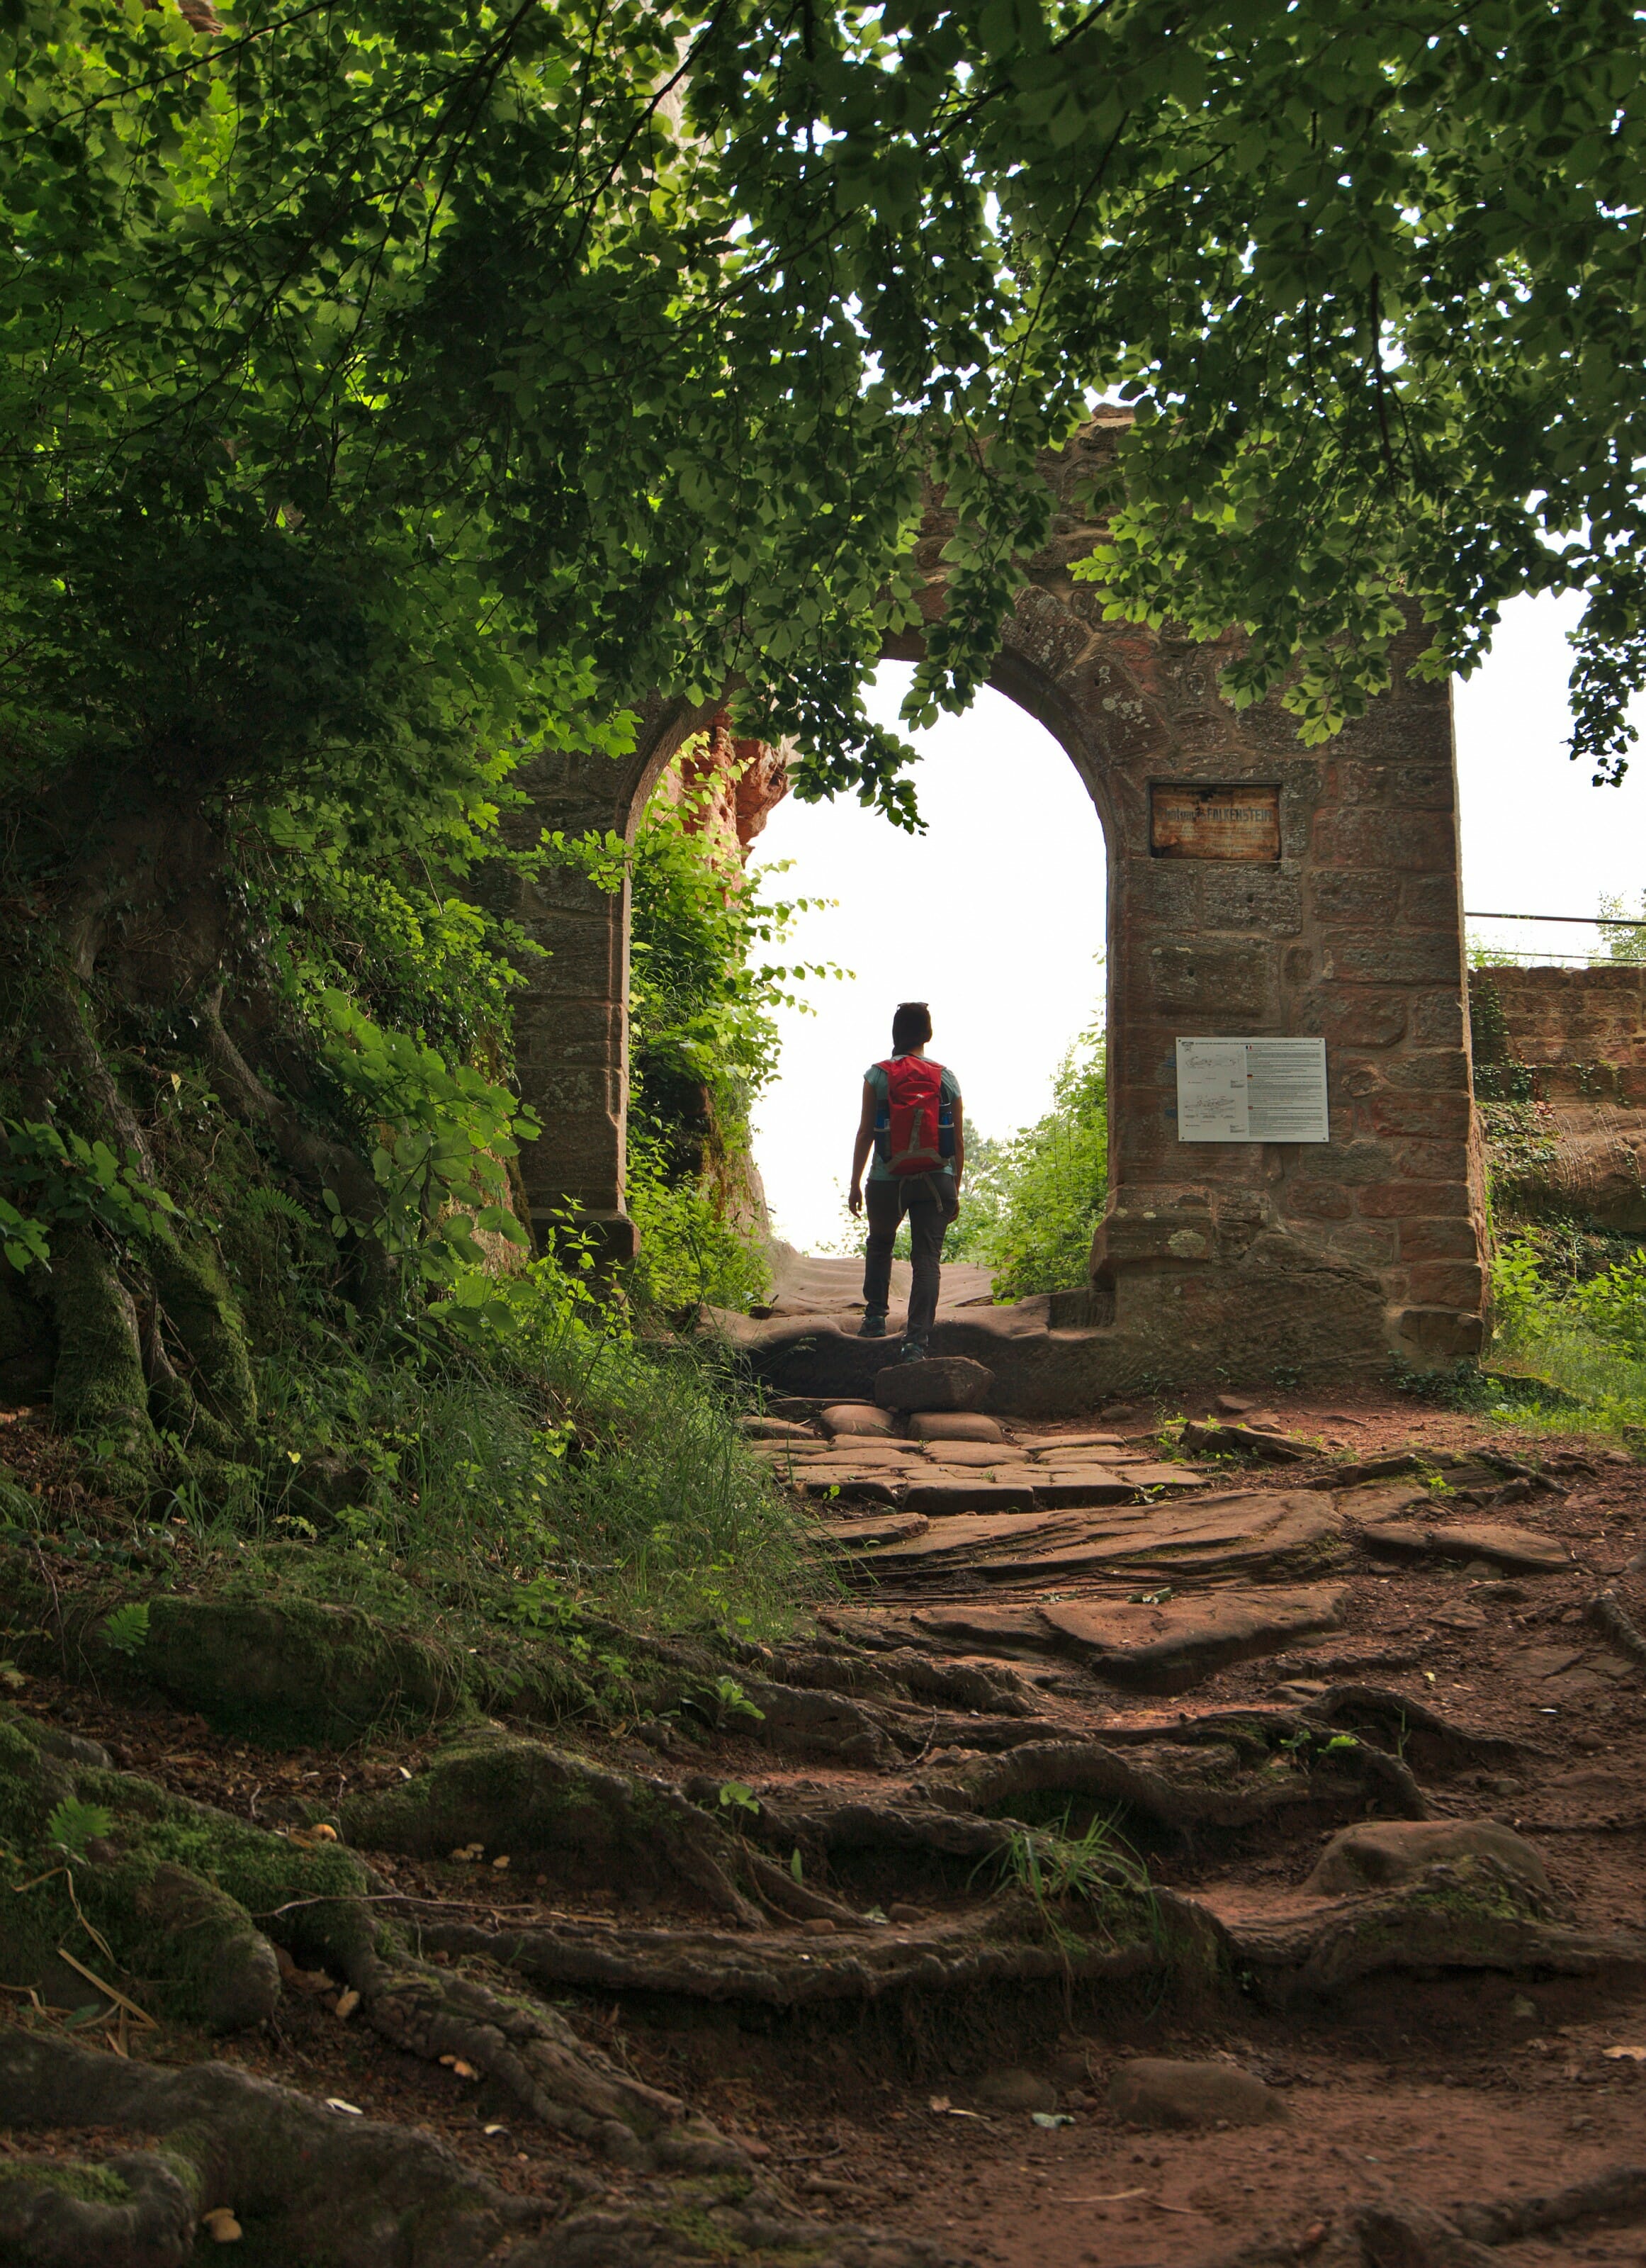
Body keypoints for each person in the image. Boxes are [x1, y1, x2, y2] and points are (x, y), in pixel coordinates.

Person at [848, 1001, 963, 1359]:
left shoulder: (877, 1075)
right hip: (935, 1179)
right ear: (928, 1034)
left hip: (886, 1178)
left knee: (881, 1244)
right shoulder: (945, 1077)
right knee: (926, 1260)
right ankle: (915, 1343)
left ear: (895, 1033)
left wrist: (854, 1183)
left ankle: (874, 1319)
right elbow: (957, 1141)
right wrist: (954, 1188)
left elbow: (866, 1131)